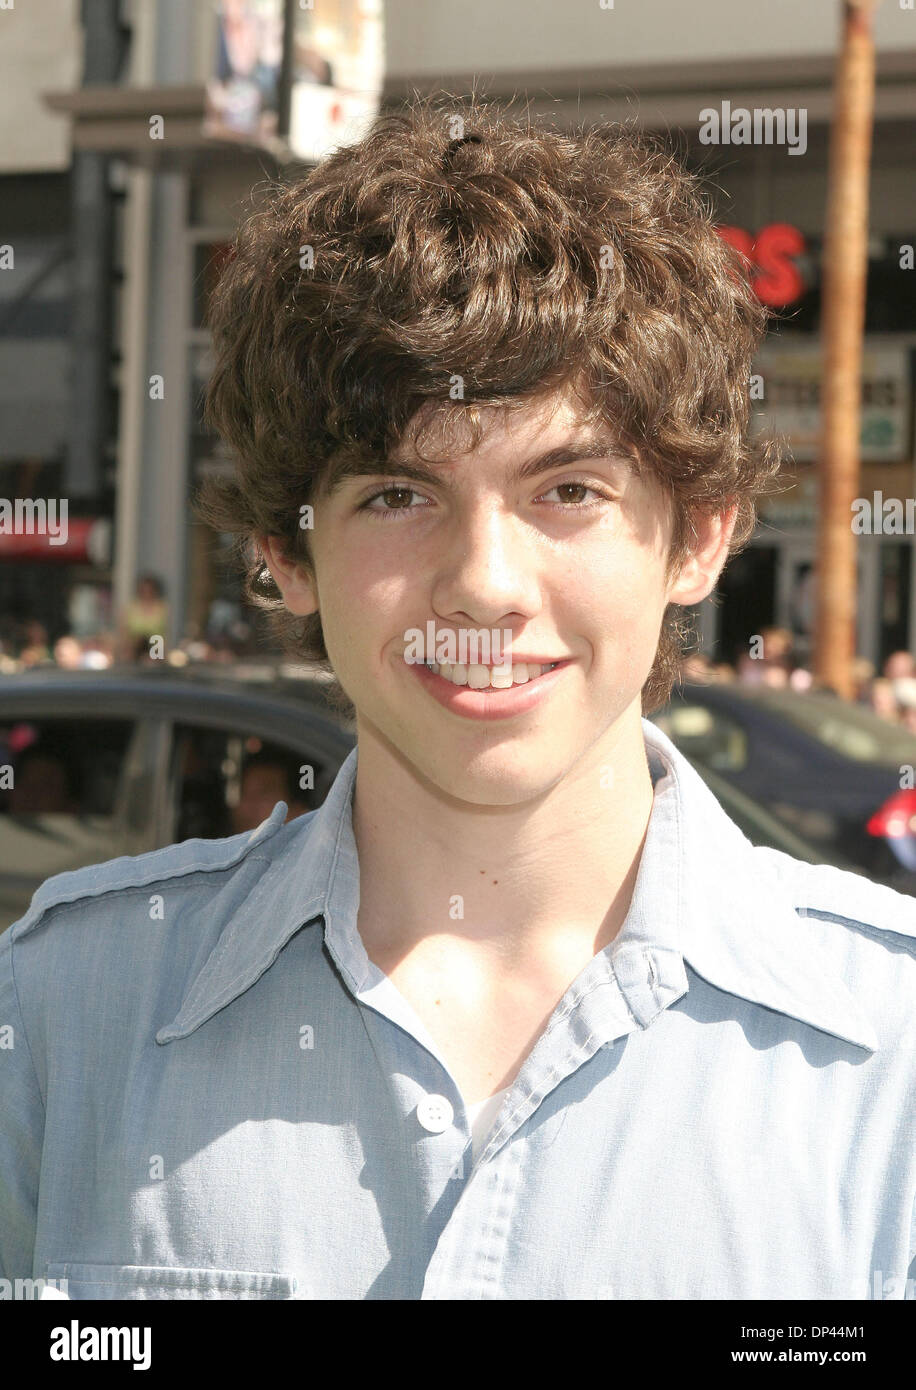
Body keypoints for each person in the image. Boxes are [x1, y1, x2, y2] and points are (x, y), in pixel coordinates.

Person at [2, 97, 914, 1302]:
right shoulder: (63, 1013)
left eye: (569, 489)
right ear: (286, 552)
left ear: (697, 538)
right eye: (394, 494)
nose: (483, 584)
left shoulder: (887, 1049)